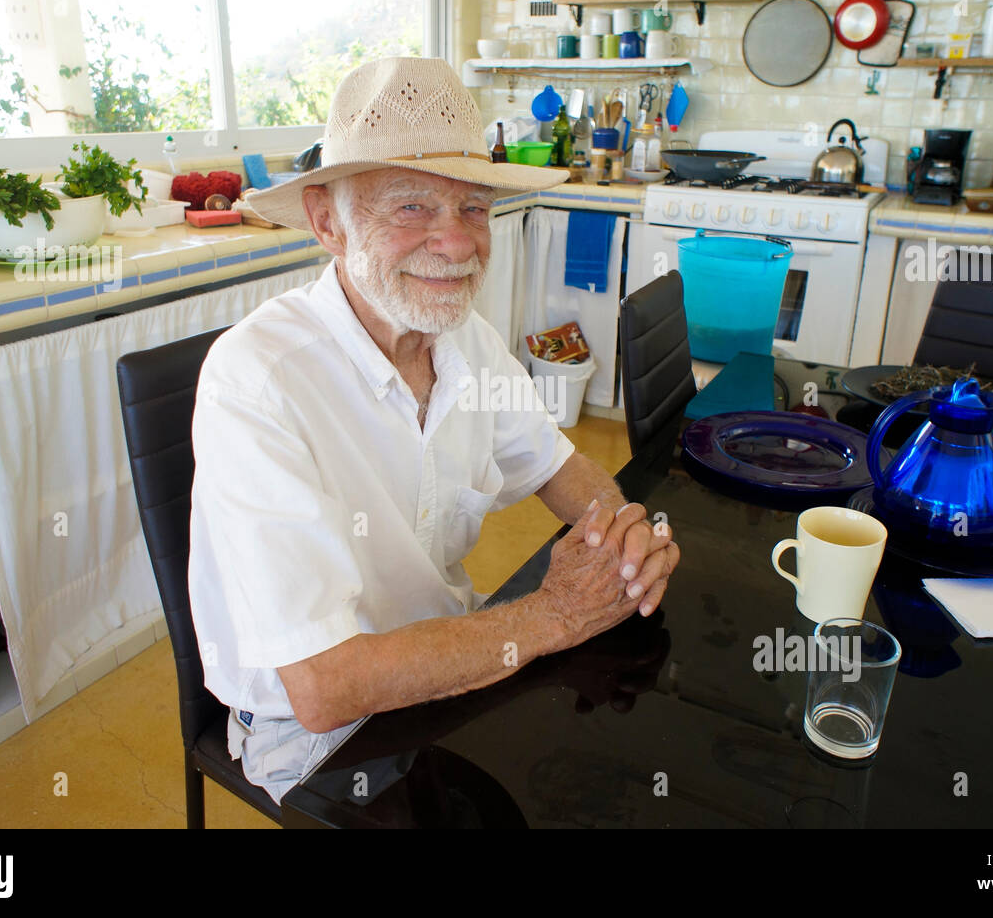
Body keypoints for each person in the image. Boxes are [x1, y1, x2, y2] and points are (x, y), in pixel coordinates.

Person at [187, 56, 681, 804]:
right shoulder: (257, 379)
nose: (456, 244)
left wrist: (620, 542)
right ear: (328, 221)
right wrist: (555, 612)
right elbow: (323, 686)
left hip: (451, 663)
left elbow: (556, 463)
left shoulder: (465, 341)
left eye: (474, 207)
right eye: (411, 207)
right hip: (322, 738)